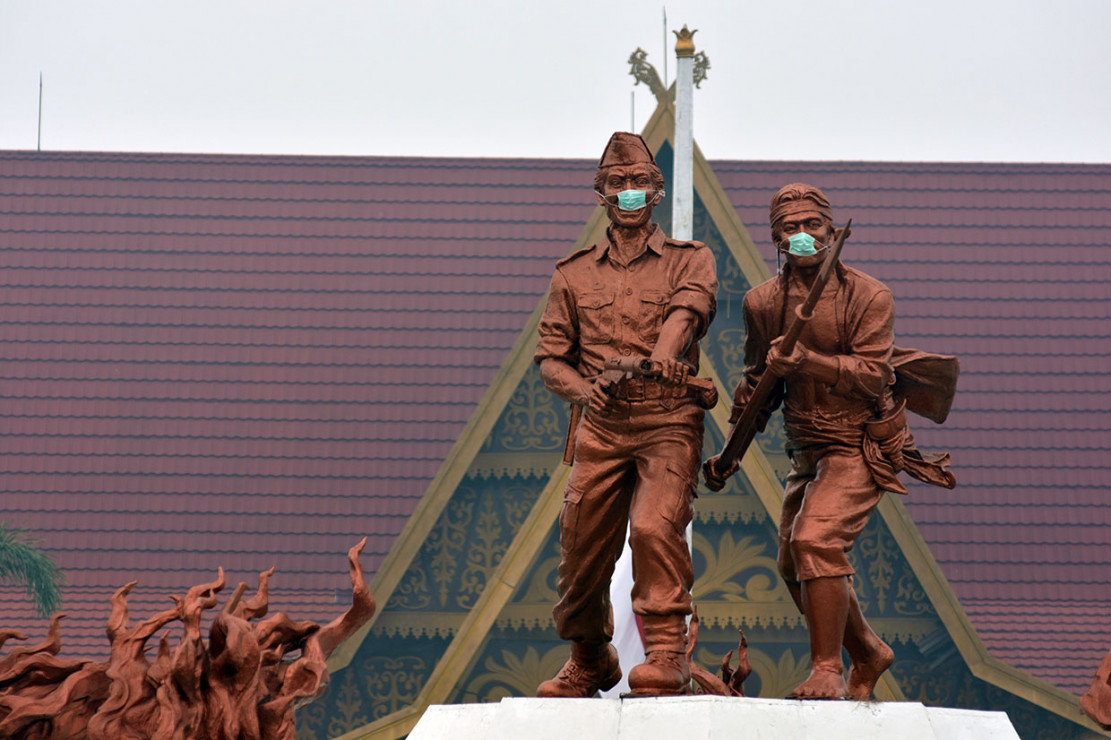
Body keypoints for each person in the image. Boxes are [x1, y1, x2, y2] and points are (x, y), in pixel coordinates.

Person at [704, 183, 956, 700]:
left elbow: (871, 373)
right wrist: (732, 449)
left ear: (831, 229)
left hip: (859, 443)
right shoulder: (763, 303)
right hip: (805, 449)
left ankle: (828, 669)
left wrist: (809, 363)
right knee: (791, 564)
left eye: (812, 226)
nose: (803, 236)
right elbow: (759, 383)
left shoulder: (869, 295)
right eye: (790, 228)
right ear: (775, 236)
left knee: (815, 540)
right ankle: (867, 650)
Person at [533, 132, 718, 697]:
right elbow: (549, 359)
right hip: (601, 425)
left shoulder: (691, 259)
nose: (629, 193)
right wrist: (587, 393)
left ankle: (665, 652)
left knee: (655, 526)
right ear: (601, 194)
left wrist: (661, 360)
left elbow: (688, 312)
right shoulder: (573, 274)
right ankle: (591, 657)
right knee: (580, 551)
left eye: (639, 183)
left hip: (666, 420)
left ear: (657, 192)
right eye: (618, 184)